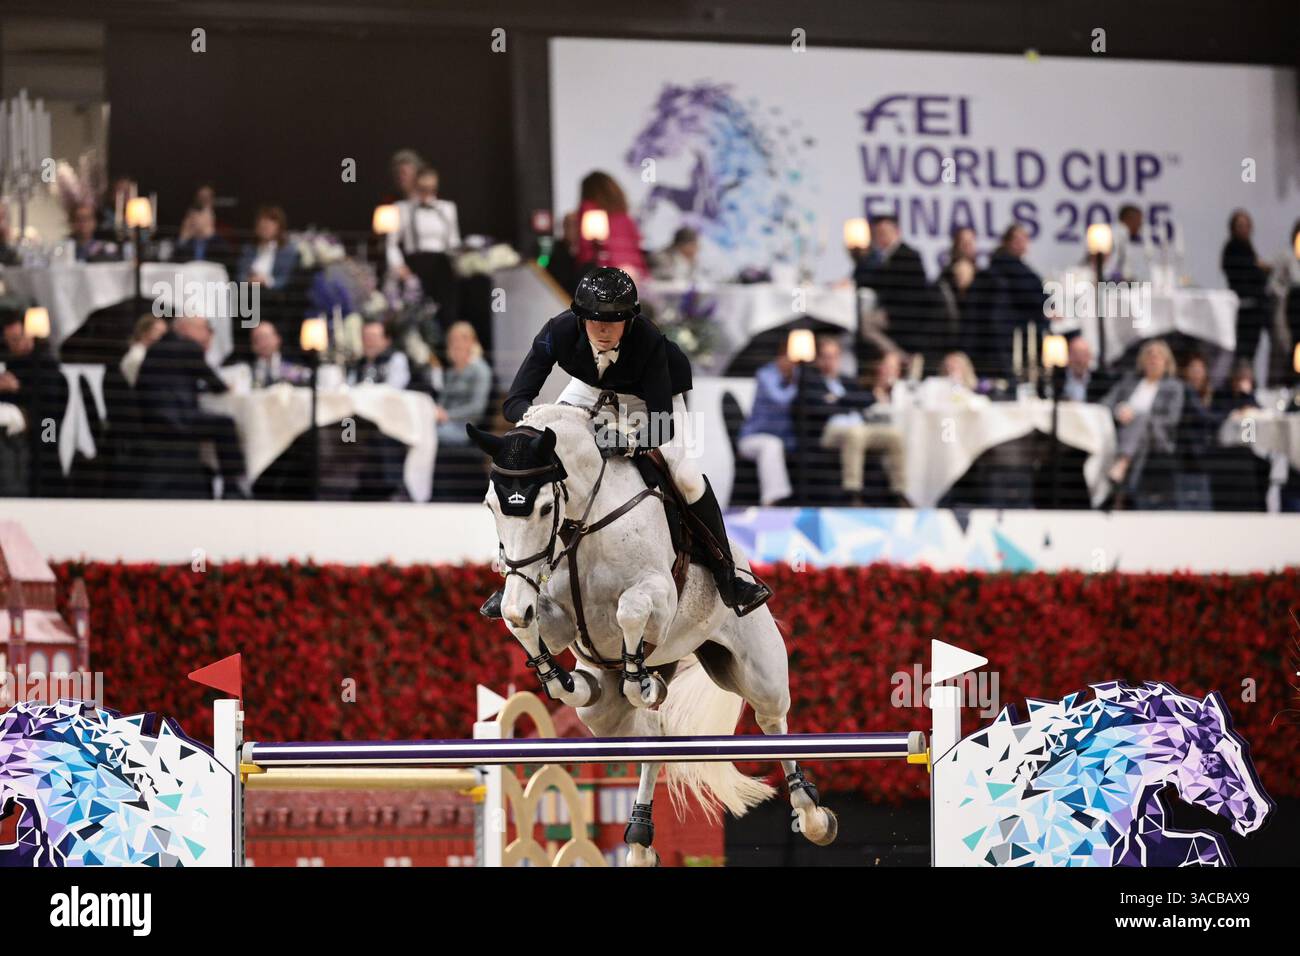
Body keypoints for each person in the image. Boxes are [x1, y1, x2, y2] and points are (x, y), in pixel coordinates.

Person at [485, 266, 769, 618]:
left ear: (630, 321)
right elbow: (515, 401)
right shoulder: (557, 331)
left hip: (647, 402)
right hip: (589, 391)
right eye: (594, 320)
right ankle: (514, 577)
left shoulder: (648, 342)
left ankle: (729, 575)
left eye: (614, 320)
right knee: (539, 475)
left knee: (686, 477)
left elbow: (662, 424)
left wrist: (625, 443)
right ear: (579, 318)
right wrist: (540, 427)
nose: (603, 330)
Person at [133, 314, 247, 498]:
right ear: (186, 328)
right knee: (225, 425)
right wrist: (228, 386)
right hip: (178, 420)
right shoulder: (188, 347)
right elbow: (216, 385)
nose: (208, 333)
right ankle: (233, 487)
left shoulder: (156, 348)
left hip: (151, 419)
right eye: (204, 328)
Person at [805, 337, 907, 506]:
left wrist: (838, 399)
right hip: (831, 431)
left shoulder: (847, 381)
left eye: (834, 356)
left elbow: (867, 399)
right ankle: (853, 493)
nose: (831, 361)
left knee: (894, 436)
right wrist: (848, 403)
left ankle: (899, 492)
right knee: (855, 434)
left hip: (860, 427)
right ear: (818, 359)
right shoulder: (811, 381)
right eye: (826, 356)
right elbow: (818, 409)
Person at [1100, 340, 1184, 507]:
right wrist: (1119, 410)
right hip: (1123, 432)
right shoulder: (1129, 381)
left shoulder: (1174, 387)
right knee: (1140, 439)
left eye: (1158, 356)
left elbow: (1171, 419)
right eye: (1149, 356)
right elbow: (1105, 403)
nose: (1153, 360)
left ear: (1166, 362)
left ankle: (1121, 466)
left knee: (1142, 419)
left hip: (1158, 436)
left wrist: (1140, 416)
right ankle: (1123, 493)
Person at [852, 214, 940, 367]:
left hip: (902, 315)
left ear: (896, 232)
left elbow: (902, 290)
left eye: (884, 232)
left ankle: (902, 358)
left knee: (866, 324)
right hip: (895, 312)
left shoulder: (907, 255)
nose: (880, 237)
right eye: (877, 233)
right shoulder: (882, 258)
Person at [964, 223, 1048, 382]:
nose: (1021, 243)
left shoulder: (1020, 271)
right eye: (1017, 239)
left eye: (1024, 239)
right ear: (1007, 242)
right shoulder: (1001, 273)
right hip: (1002, 344)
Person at [0, 310, 69, 496]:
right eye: (10, 340)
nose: (15, 344)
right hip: (19, 440)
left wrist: (17, 388)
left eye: (18, 338)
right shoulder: (13, 364)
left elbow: (49, 401)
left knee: (46, 464)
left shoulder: (45, 363)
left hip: (46, 426)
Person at [386, 166, 462, 323]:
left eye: (431, 188)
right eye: (423, 188)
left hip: (441, 265)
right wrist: (402, 271)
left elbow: (454, 242)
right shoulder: (402, 208)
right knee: (413, 313)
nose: (427, 192)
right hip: (415, 264)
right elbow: (391, 245)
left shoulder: (447, 208)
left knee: (446, 312)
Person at [737, 345, 797, 507]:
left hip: (787, 443)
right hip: (752, 439)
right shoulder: (765, 375)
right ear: (781, 356)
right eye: (791, 358)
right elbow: (780, 400)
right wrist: (798, 382)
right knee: (771, 445)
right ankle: (771, 501)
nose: (794, 364)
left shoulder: (794, 376)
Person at [1221, 209, 1273, 370]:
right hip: (1244, 311)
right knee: (1242, 352)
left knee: (1252, 351)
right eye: (1240, 225)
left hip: (1256, 310)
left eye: (1246, 225)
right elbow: (1242, 274)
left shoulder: (1248, 247)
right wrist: (1259, 269)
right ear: (1233, 228)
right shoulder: (1232, 248)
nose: (1243, 229)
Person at [570, 171, 647, 277]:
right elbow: (637, 244)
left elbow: (586, 247)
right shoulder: (624, 216)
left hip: (606, 271)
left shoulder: (590, 211)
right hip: (633, 270)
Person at [433, 321, 492, 445]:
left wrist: (447, 415)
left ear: (473, 342)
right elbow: (442, 402)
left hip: (466, 427)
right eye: (453, 340)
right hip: (444, 424)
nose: (457, 343)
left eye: (463, 339)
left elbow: (477, 408)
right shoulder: (451, 371)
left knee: (426, 434)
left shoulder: (480, 370)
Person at [236, 206, 298, 290]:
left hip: (273, 296)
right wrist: (249, 280)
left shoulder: (288, 251)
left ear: (279, 227)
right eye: (262, 222)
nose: (265, 225)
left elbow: (286, 279)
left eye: (271, 223)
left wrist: (266, 281)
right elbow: (240, 275)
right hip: (248, 292)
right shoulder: (248, 249)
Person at [937, 226, 978, 344]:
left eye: (971, 241)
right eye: (964, 242)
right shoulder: (945, 278)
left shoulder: (984, 277)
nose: (968, 245)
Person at [348, 319, 411, 389]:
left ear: (386, 340)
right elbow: (349, 386)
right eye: (365, 337)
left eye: (374, 337)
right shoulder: (357, 363)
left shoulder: (396, 359)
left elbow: (394, 388)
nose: (369, 342)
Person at [243, 322, 308, 388]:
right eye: (257, 339)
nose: (263, 343)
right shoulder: (244, 372)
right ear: (252, 345)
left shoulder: (295, 365)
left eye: (266, 337)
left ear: (278, 339)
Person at [120, 314, 168, 387]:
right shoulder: (138, 356)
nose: (163, 337)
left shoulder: (148, 354)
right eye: (159, 332)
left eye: (165, 333)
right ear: (144, 332)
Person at [1059, 335, 1109, 403]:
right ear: (1068, 355)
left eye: (1083, 355)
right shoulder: (1057, 377)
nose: (1079, 360)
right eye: (1075, 354)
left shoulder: (1100, 381)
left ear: (1089, 357)